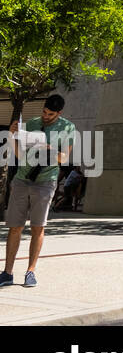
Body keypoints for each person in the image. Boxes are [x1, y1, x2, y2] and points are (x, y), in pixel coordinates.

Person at [2, 94, 76, 287]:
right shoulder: (32, 123)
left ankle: (30, 272)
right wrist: (12, 136)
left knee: (37, 227)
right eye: (44, 112)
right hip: (22, 179)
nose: (45, 116)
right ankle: (7, 273)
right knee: (15, 226)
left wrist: (50, 149)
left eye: (50, 114)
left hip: (45, 181)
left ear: (59, 113)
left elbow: (65, 159)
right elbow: (19, 154)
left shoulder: (67, 128)